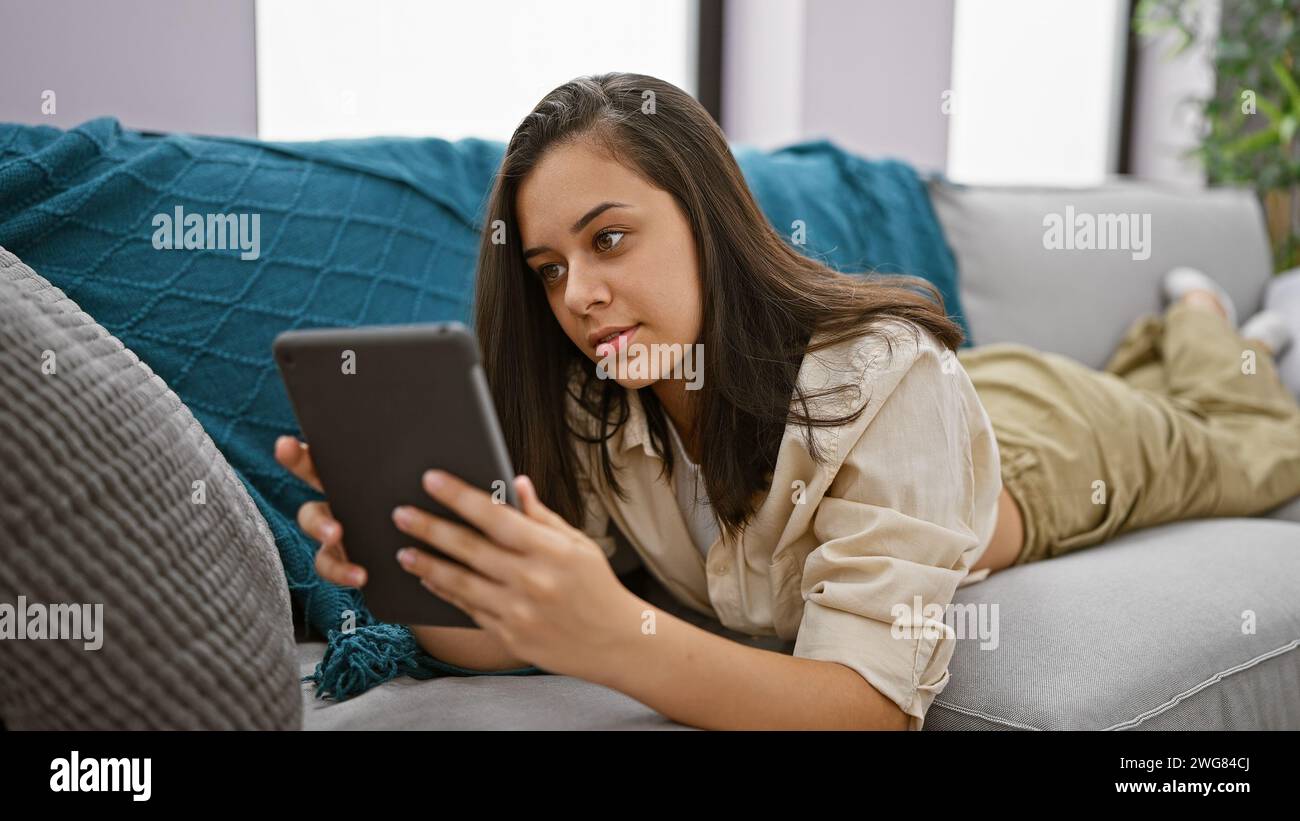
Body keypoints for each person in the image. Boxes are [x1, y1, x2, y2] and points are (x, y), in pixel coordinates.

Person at [274, 72, 1300, 730]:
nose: (577, 294)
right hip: (939, 430)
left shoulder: (888, 372)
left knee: (1264, 441)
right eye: (546, 267)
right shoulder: (603, 404)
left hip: (1056, 439)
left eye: (609, 238)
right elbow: (513, 637)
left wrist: (615, 631)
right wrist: (422, 575)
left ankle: (1215, 320)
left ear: (707, 217)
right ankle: (1173, 341)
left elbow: (865, 708)